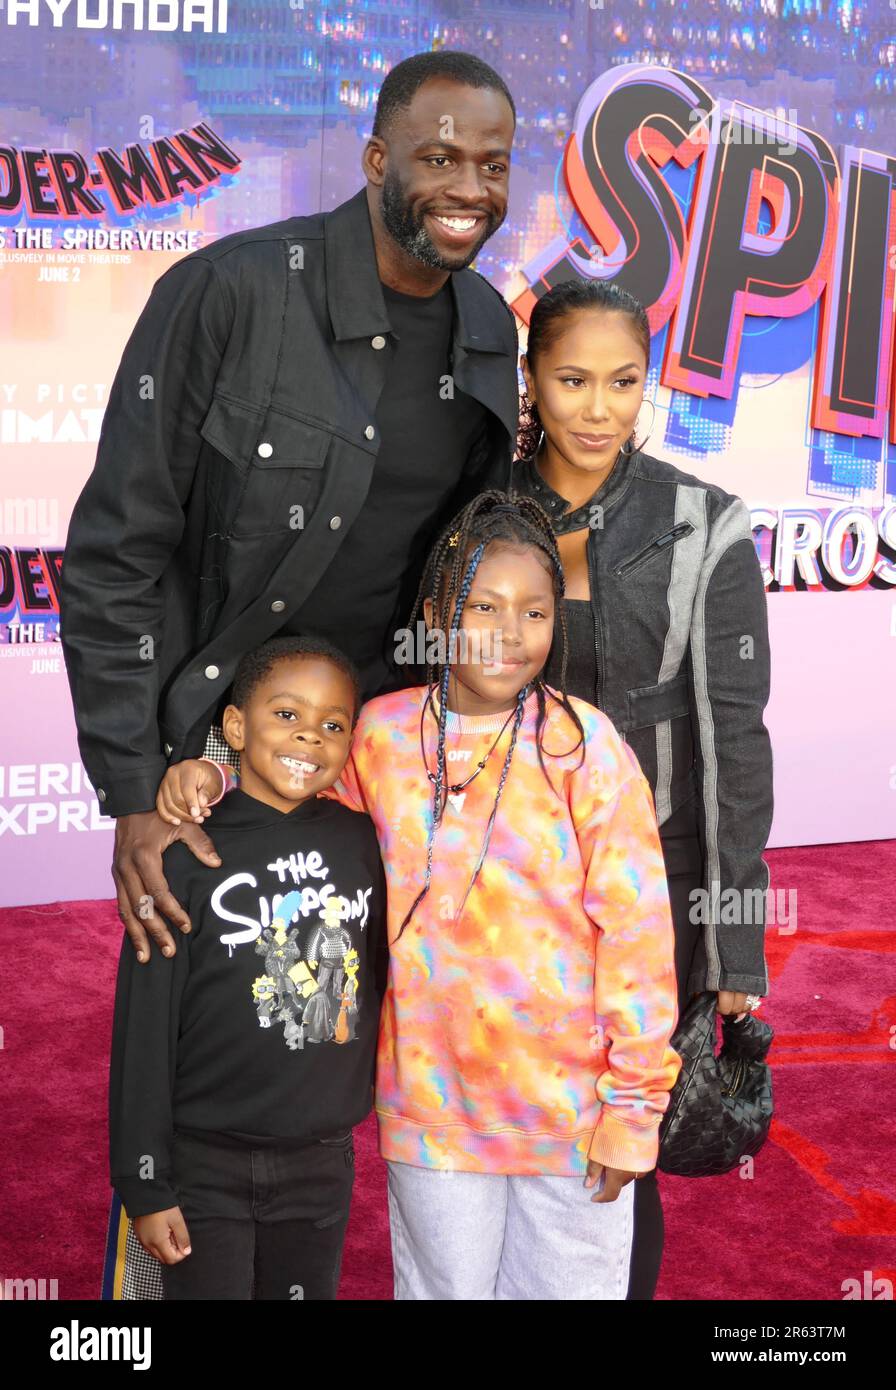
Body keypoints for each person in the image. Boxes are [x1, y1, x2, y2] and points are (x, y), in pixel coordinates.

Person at [59, 49, 520, 968]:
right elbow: (117, 550)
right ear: (378, 161)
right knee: (215, 1061)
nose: (469, 186)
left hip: (377, 765)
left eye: (494, 164)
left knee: (353, 1052)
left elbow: (456, 560)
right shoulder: (233, 290)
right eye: (439, 158)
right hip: (210, 766)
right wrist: (136, 792)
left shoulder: (488, 325)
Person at [159, 492, 682, 1301]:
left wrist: (635, 1106)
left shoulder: (586, 748)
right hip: (432, 1106)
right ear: (437, 614)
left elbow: (638, 935)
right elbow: (300, 808)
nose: (508, 634)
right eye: (483, 606)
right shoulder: (380, 734)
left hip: (570, 1113)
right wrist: (214, 774)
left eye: (533, 611)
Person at [511, 277, 774, 1298]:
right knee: (513, 1123)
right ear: (531, 377)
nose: (596, 406)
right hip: (501, 890)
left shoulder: (702, 521)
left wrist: (732, 937)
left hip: (646, 895)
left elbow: (733, 746)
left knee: (623, 1138)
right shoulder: (482, 508)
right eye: (571, 377)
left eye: (622, 381)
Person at [109, 634, 387, 1299]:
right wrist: (144, 1185)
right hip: (203, 1164)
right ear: (234, 725)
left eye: (332, 724)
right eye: (285, 715)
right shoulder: (184, 856)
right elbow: (143, 1030)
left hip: (321, 1161)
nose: (309, 737)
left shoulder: (364, 840)